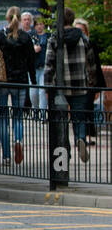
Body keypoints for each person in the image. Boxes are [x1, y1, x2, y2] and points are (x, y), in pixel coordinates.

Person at [45, 9, 94, 162]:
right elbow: (91, 64)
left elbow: (49, 65)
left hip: (61, 87)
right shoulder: (84, 38)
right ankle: (80, 138)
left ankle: (65, 150)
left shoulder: (54, 38)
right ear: (72, 20)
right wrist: (91, 82)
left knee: (61, 120)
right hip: (80, 85)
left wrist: (47, 87)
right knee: (79, 117)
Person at [0, 7, 32, 164]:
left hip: (2, 81)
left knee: (3, 118)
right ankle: (18, 140)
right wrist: (34, 81)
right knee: (17, 116)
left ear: (7, 18)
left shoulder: (0, 35)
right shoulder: (25, 37)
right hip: (20, 81)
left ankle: (6, 156)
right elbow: (30, 61)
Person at [74, 18, 105, 148]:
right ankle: (79, 137)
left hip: (89, 83)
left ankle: (84, 137)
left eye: (82, 30)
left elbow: (96, 66)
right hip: (75, 82)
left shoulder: (90, 44)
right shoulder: (71, 44)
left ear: (86, 31)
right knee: (78, 111)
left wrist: (98, 86)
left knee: (87, 109)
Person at [29, 13, 49, 113]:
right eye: (37, 24)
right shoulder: (31, 36)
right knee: (33, 92)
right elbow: (26, 51)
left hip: (44, 67)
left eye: (41, 24)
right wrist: (33, 50)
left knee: (42, 91)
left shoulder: (48, 36)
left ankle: (42, 114)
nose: (39, 26)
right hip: (33, 67)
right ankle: (35, 110)